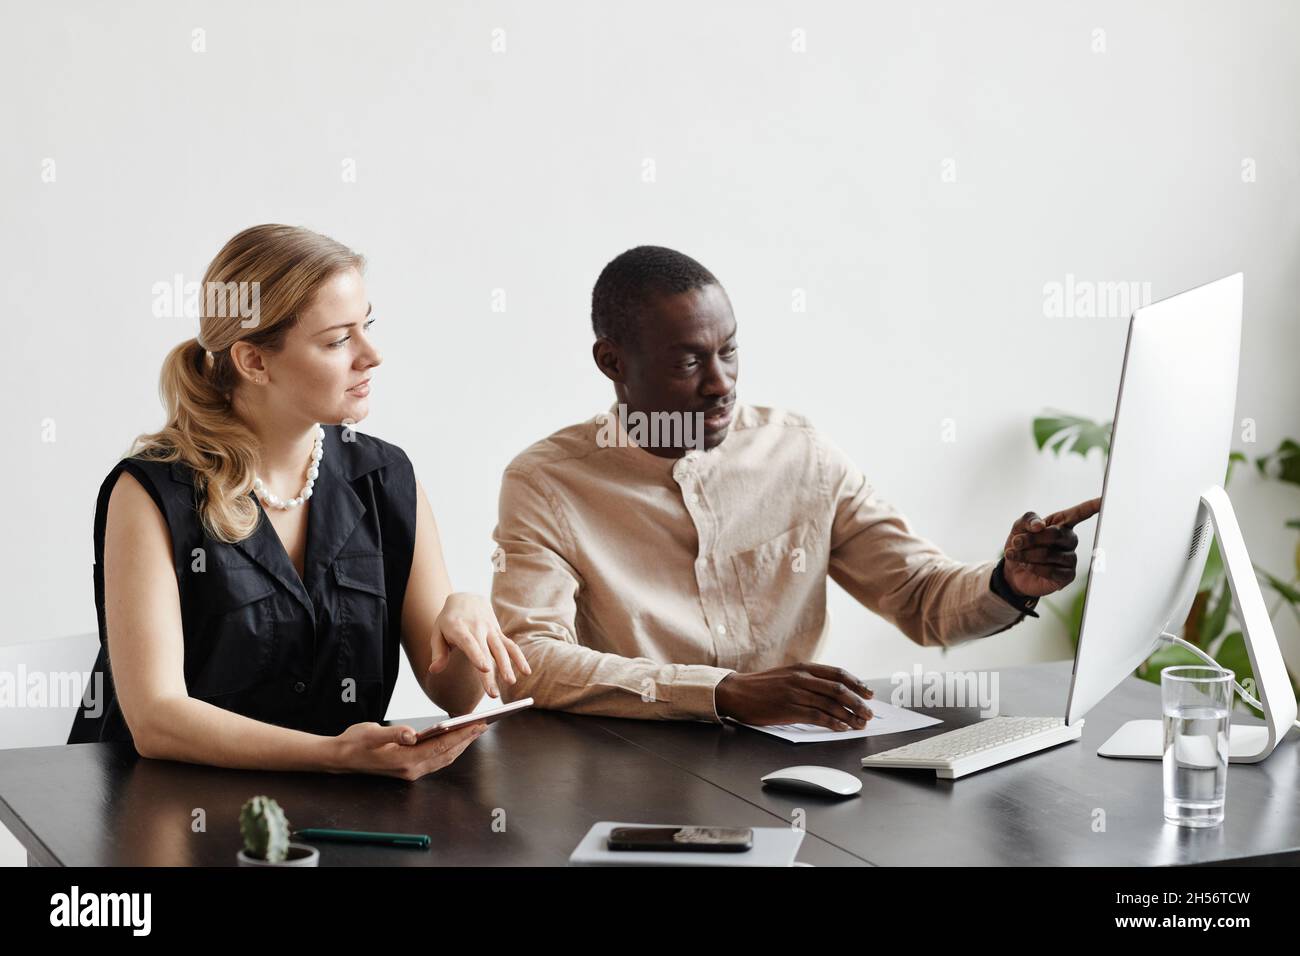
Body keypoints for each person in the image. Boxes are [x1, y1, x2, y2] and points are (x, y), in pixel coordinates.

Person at [490, 245, 1098, 729]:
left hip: (797, 766)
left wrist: (1008, 582)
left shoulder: (799, 453)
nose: (719, 383)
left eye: (729, 351)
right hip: (637, 765)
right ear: (612, 362)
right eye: (688, 362)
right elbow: (530, 661)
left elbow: (917, 595)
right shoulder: (547, 483)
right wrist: (721, 693)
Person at [68, 224, 529, 780]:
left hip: (335, 815)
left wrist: (465, 613)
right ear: (254, 361)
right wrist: (335, 756)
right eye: (338, 340)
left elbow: (455, 697)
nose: (372, 355)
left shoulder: (385, 477)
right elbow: (157, 719)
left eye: (369, 326)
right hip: (162, 819)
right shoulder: (150, 492)